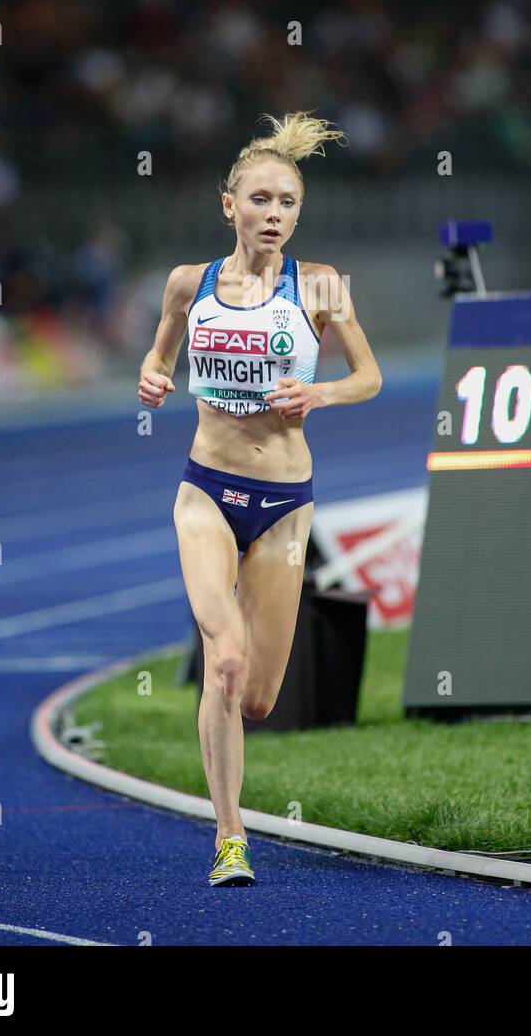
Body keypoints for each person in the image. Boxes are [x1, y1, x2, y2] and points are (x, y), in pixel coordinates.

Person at [138, 110, 383, 884]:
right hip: (205, 491)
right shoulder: (190, 284)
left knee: (261, 700)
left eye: (287, 204)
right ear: (228, 205)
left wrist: (319, 393)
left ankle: (232, 809)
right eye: (261, 200)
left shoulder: (322, 288)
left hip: (285, 503)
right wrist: (151, 376)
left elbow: (368, 378)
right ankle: (230, 836)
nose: (274, 216)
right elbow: (159, 354)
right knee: (228, 663)